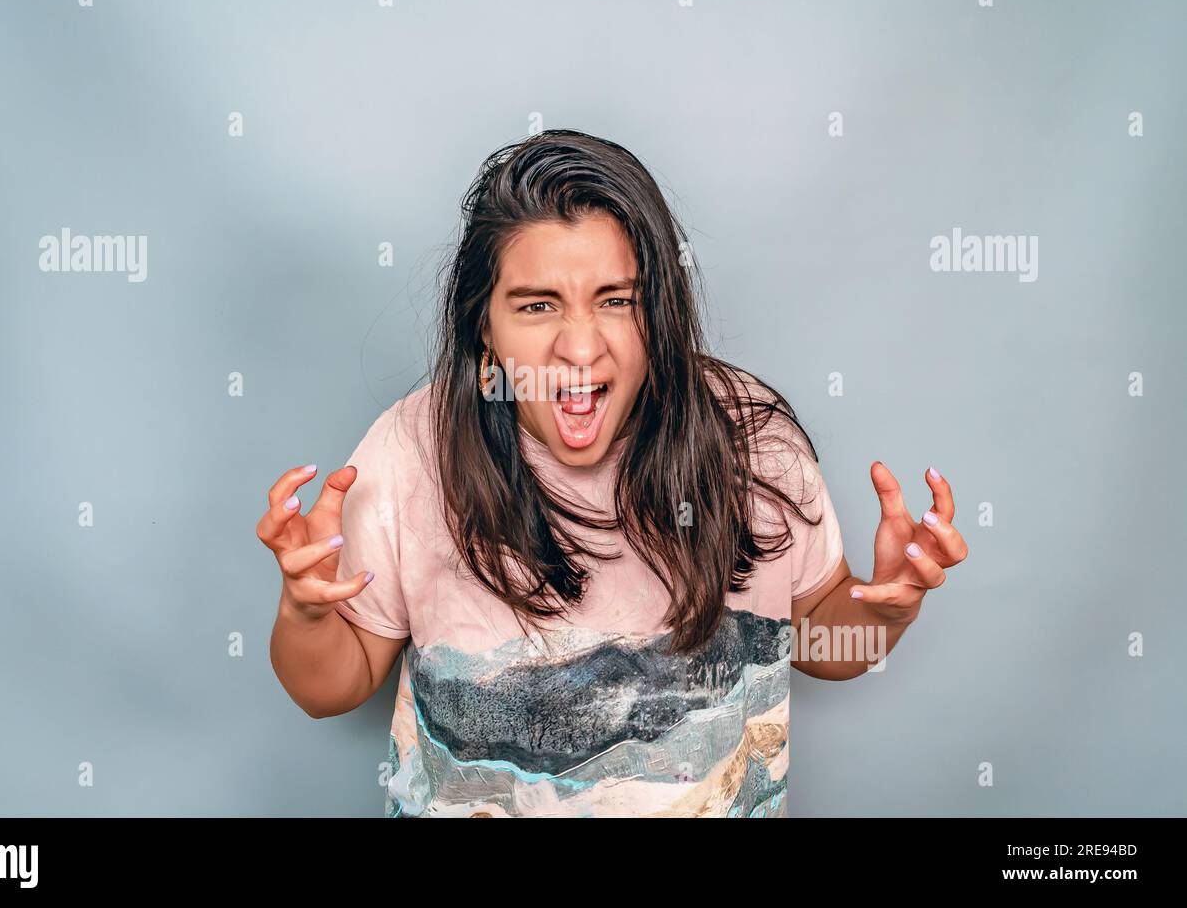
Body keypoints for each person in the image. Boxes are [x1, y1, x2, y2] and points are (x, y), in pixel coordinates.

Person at [260, 129, 969, 817]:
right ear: (485, 324)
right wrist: (306, 610)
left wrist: (882, 611)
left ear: (656, 311)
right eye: (537, 305)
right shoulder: (409, 452)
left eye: (615, 300)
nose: (579, 346)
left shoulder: (754, 440)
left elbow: (820, 642)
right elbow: (332, 688)